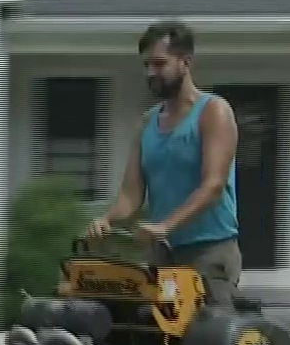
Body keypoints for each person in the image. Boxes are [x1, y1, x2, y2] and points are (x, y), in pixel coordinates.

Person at [85, 20, 242, 307]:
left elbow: (213, 185)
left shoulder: (213, 111)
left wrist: (165, 226)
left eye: (159, 63)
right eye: (146, 64)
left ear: (185, 62)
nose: (150, 72)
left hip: (210, 252)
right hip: (163, 254)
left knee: (206, 342)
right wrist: (106, 220)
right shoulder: (147, 123)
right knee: (157, 342)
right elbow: (131, 195)